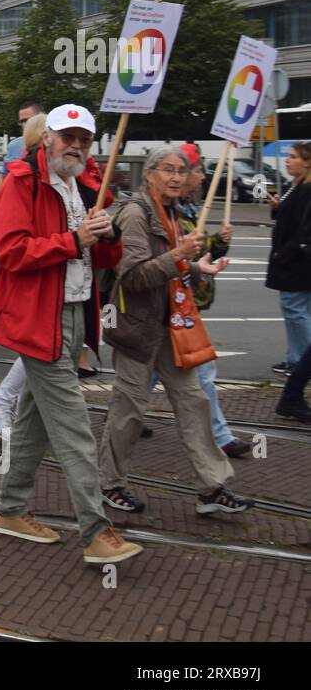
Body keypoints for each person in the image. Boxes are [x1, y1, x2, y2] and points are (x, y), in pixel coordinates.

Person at [0, 103, 142, 564]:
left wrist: (105, 236)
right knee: (74, 425)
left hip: (74, 314)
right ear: (46, 138)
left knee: (33, 420)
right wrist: (76, 241)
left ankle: (9, 509)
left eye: (84, 140)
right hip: (39, 318)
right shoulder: (21, 182)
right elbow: (10, 251)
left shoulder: (84, 186)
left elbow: (102, 260)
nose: (74, 146)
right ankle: (95, 530)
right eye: (67, 136)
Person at [99, 145, 253, 516]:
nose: (175, 177)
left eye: (180, 171)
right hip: (137, 330)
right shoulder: (137, 213)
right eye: (167, 169)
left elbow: (170, 270)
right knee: (129, 410)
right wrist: (179, 255)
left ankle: (212, 487)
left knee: (194, 401)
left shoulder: (171, 210)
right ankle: (108, 483)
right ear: (150, 174)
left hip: (170, 326)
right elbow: (134, 277)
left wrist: (199, 268)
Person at [171, 143, 248, 457]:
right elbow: (177, 255)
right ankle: (220, 436)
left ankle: (125, 418)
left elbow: (198, 250)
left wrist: (219, 243)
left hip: (185, 302)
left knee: (146, 376)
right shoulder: (172, 209)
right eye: (199, 170)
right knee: (202, 368)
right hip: (176, 302)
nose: (203, 176)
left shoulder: (187, 206)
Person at [0, 111, 48, 436]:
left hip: (48, 278)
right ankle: (5, 402)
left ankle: (13, 406)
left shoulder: (53, 177)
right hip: (27, 277)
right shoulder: (21, 179)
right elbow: (11, 244)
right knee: (38, 349)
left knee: (45, 352)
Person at [267, 141, 311, 378]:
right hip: (293, 259)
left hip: (297, 261)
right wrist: (277, 208)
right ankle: (295, 358)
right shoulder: (294, 185)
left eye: (293, 156)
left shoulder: (307, 189)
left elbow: (303, 230)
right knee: (300, 310)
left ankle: (303, 362)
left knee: (295, 310)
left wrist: (283, 253)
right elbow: (290, 217)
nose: (287, 160)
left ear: (307, 162)